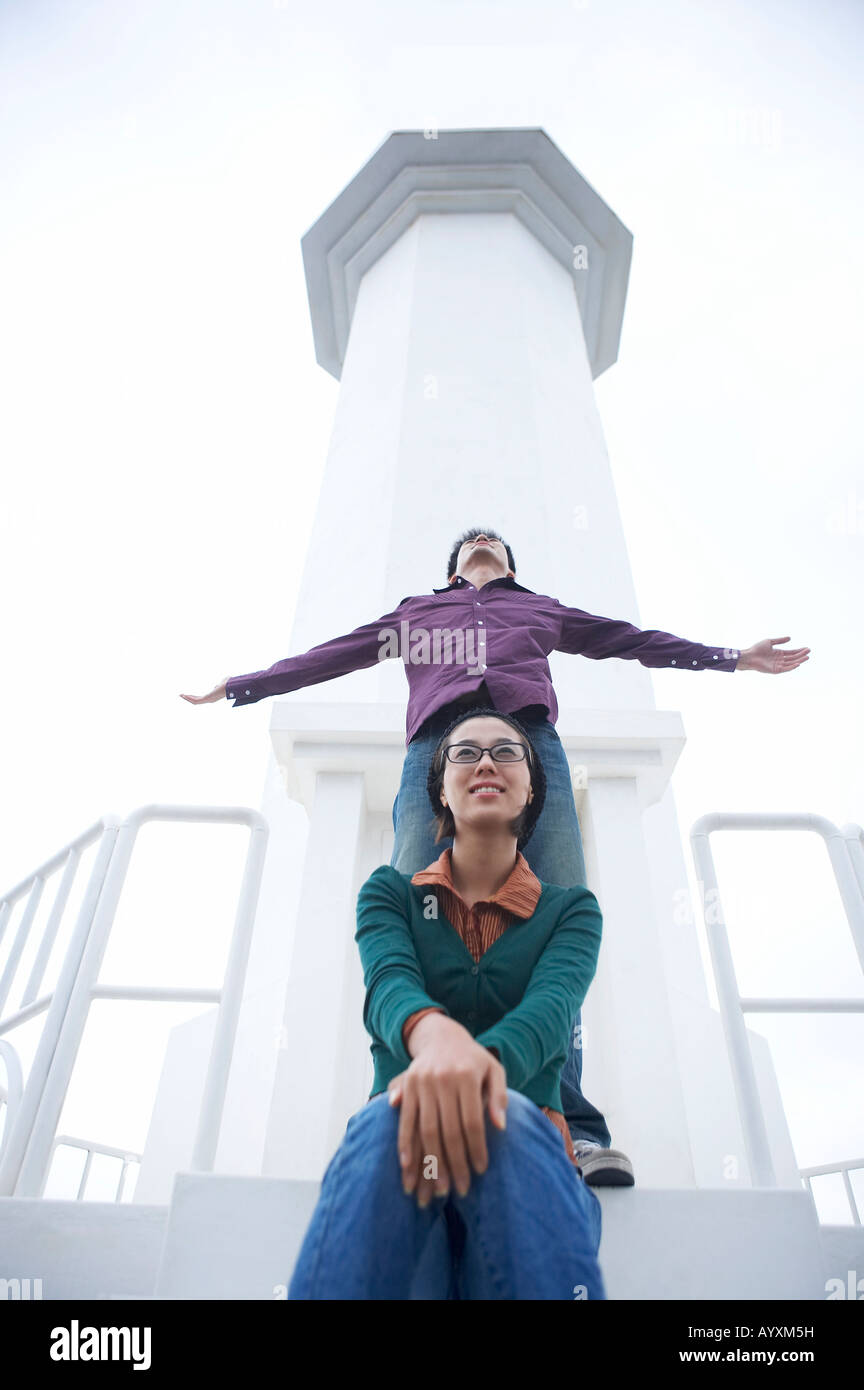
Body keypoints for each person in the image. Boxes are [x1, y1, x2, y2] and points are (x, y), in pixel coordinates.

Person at [180, 526, 810, 1183]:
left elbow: (635, 641)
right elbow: (336, 654)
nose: (483, 539)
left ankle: (569, 1128)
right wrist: (242, 686)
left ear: (509, 565)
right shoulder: (414, 614)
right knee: (410, 909)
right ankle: (397, 1110)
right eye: (470, 540)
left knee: (559, 905)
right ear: (452, 569)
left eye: (496, 540)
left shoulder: (541, 609)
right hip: (436, 751)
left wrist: (735, 657)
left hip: (531, 746)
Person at [287, 708, 606, 1299]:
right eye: (465, 752)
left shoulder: (572, 911)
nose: (486, 761)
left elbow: (550, 1013)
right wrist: (435, 1040)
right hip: (408, 1161)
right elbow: (389, 985)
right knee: (388, 1121)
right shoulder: (389, 894)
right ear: (439, 785)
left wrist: (474, 1076)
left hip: (523, 1158)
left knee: (515, 1125)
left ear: (533, 785)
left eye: (506, 751)